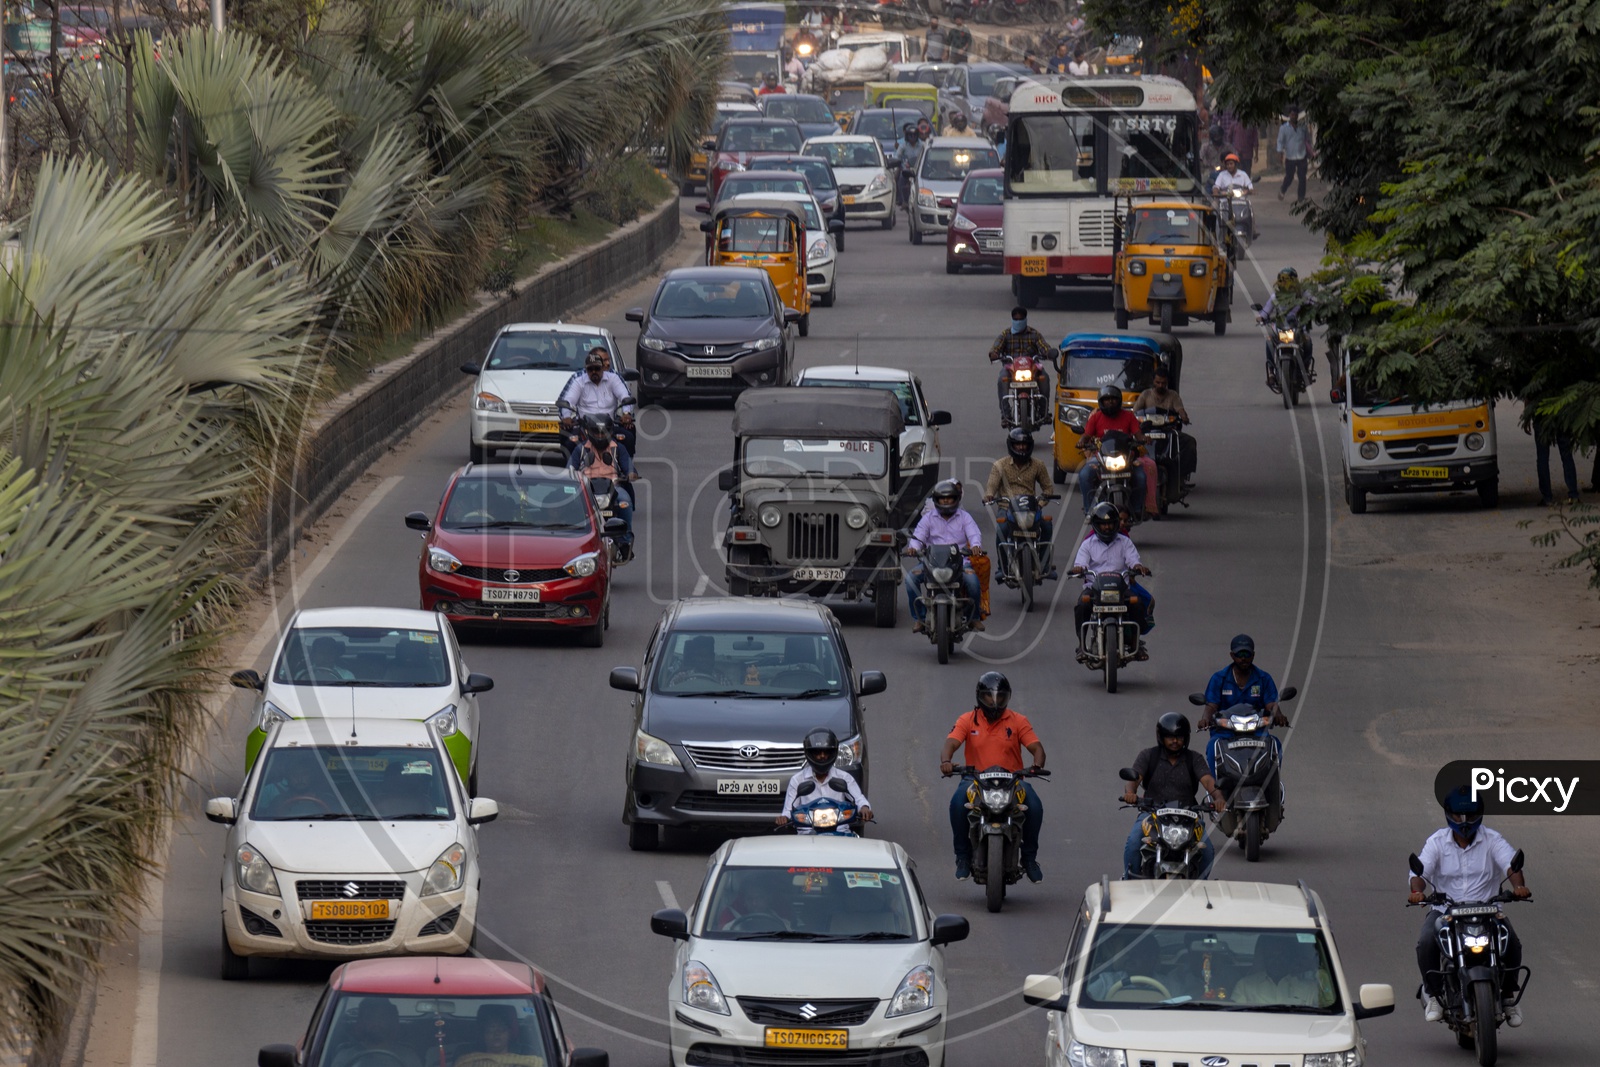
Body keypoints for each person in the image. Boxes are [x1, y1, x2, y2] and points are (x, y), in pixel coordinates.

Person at [1410, 786, 1530, 1027]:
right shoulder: (1437, 842)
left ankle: (1508, 997)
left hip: (1487, 910)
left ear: (1480, 814)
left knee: (1512, 943)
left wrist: (1518, 887)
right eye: (1458, 816)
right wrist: (1417, 891)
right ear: (1449, 815)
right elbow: (1419, 871)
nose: (1464, 822)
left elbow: (1511, 865)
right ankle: (1432, 995)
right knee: (1425, 942)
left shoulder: (1492, 840)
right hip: (1446, 911)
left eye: (1470, 816)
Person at [938, 672, 1046, 882]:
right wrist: (946, 761)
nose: (995, 702)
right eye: (990, 696)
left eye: (1000, 697)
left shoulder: (1017, 721)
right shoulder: (967, 720)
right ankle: (962, 857)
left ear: (1008, 697)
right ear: (980, 696)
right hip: (975, 780)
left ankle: (1029, 858)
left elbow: (1037, 748)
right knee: (957, 803)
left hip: (1012, 781)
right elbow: (951, 743)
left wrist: (1036, 766)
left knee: (1035, 806)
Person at [1120, 713, 1225, 879]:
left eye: (1179, 737)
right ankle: (1129, 880)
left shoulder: (1194, 759)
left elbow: (1208, 781)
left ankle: (1200, 886)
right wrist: (1130, 793)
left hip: (1188, 815)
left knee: (1208, 852)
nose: (1175, 741)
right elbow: (1134, 779)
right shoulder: (1148, 756)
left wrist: (1219, 798)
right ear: (1161, 737)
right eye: (1170, 737)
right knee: (1133, 843)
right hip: (1152, 814)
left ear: (1186, 738)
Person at [1070, 502, 1152, 656]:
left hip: (1120, 589)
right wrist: (1079, 568)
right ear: (1096, 525)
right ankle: (1081, 645)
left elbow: (1133, 560)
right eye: (1103, 524)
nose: (1107, 528)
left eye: (1110, 524)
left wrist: (1138, 567)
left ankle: (1135, 642)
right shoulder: (1087, 544)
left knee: (1137, 603)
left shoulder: (1125, 542)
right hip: (1095, 589)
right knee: (1082, 605)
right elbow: (1080, 562)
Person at [903, 479, 985, 632]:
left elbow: (974, 533)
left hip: (959, 562)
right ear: (936, 500)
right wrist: (913, 548)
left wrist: (975, 546)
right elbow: (919, 535)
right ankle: (919, 618)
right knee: (910, 580)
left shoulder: (964, 517)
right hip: (931, 563)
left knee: (973, 583)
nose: (946, 501)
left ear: (957, 499)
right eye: (942, 498)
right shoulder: (928, 518)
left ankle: (973, 618)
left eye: (950, 498)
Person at [1198, 634, 1286, 775]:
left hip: (1256, 730)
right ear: (1232, 655)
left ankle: (1273, 790)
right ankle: (1217, 793)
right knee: (1212, 748)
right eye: (1240, 654)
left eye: (1247, 653)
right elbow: (1211, 705)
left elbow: (1271, 703)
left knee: (1275, 745)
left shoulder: (1264, 678)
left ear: (1253, 655)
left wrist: (1279, 715)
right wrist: (1205, 719)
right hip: (1225, 731)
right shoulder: (1219, 678)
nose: (1243, 658)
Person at [984, 428, 1057, 579]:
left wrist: (1041, 503)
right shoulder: (1000, 465)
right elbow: (991, 485)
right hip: (1007, 508)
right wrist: (989, 495)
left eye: (1024, 444)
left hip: (1031, 509)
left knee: (1047, 526)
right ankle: (1002, 567)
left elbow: (1048, 488)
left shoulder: (1038, 465)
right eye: (1018, 444)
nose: (1021, 447)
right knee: (1002, 529)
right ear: (1011, 445)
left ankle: (1043, 564)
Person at [565, 412, 637, 556]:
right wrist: (569, 476)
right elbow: (569, 469)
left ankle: (624, 541)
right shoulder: (580, 449)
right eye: (596, 433)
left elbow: (629, 467)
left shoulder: (618, 448)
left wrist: (630, 474)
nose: (599, 436)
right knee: (567, 505)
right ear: (588, 432)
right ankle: (569, 541)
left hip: (613, 487)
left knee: (625, 502)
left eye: (603, 432)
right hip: (586, 488)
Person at [1076, 385, 1150, 518]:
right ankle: (1090, 510)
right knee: (1085, 474)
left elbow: (1138, 435)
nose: (1110, 402)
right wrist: (1081, 442)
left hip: (1126, 458)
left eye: (1113, 399)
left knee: (1141, 476)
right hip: (1101, 458)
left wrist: (1144, 439)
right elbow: (1086, 435)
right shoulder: (1096, 417)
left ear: (1119, 401)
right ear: (1101, 402)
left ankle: (1138, 509)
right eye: (1107, 399)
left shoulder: (1128, 416)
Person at [776, 727, 872, 827]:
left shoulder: (844, 777)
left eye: (826, 752)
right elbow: (788, 811)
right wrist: (784, 818)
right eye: (817, 752)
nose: (822, 756)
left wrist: (864, 808)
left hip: (840, 833)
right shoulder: (797, 780)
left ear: (833, 752)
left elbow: (859, 799)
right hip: (808, 834)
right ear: (809, 753)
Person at [557, 349, 635, 459]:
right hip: (585, 429)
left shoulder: (613, 378)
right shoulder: (579, 380)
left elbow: (625, 396)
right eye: (590, 369)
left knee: (628, 438)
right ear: (586, 369)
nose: (594, 372)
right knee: (569, 443)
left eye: (597, 369)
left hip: (609, 427)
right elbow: (567, 401)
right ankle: (571, 472)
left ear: (603, 368)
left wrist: (626, 413)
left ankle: (627, 469)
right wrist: (566, 417)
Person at [987, 306, 1056, 425]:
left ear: (1025, 319)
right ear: (1012, 319)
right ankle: (1005, 414)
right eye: (1016, 319)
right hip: (1011, 369)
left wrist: (1048, 353)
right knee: (1001, 380)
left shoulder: (1034, 334)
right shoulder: (1005, 334)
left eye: (1021, 319)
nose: (1018, 321)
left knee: (1044, 378)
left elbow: (1044, 347)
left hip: (1032, 368)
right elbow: (996, 348)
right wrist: (994, 354)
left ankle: (1044, 411)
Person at [1133, 363, 1196, 487]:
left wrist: (1183, 416)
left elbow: (1180, 408)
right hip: (1147, 432)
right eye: (1158, 382)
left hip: (1168, 430)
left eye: (1163, 383)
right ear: (1153, 381)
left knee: (1190, 442)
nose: (1160, 385)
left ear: (1167, 383)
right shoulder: (1145, 395)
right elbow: (1135, 411)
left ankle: (1182, 475)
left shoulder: (1173, 395)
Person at [1233, 934, 1333, 1006]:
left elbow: (1330, 1004)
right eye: (1272, 956)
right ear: (1265, 958)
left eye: (1282, 956)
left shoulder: (1309, 988)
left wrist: (1314, 967)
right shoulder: (1245, 986)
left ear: (1290, 958)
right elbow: (1235, 1019)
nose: (1277, 961)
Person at [1256, 267, 1315, 386]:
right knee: (1269, 342)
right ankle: (1271, 373)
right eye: (1282, 280)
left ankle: (1306, 371)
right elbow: (1265, 312)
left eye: (1288, 280)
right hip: (1280, 329)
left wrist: (1316, 310)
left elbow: (1315, 304)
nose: (1285, 283)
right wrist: (1261, 317)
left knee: (1308, 342)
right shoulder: (1276, 297)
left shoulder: (1304, 295)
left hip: (1298, 329)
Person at [331, 998, 423, 1067]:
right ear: (360, 1023)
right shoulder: (345, 1056)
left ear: (391, 1022)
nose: (376, 1023)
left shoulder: (408, 1057)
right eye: (370, 1017)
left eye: (382, 1017)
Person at [453, 1003, 543, 1067]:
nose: (496, 1034)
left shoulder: (529, 1062)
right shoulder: (467, 1062)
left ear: (510, 1033)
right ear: (483, 1034)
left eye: (501, 1030)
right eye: (490, 1030)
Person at [1528, 406, 1580, 505]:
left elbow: (1528, 396)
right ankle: (1573, 495)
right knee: (1566, 455)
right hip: (1561, 412)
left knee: (1542, 457)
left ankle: (1547, 498)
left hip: (1541, 414)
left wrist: (1527, 415)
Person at [1276, 105, 1311, 201]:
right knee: (1289, 177)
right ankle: (1283, 190)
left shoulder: (1302, 127)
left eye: (1295, 115)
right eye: (1292, 115)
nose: (1294, 117)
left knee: (1302, 178)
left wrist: (1310, 152)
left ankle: (1301, 197)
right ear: (1289, 115)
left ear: (1297, 116)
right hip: (1290, 157)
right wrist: (1280, 155)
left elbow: (1307, 140)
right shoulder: (1284, 128)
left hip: (1301, 156)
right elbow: (1280, 142)